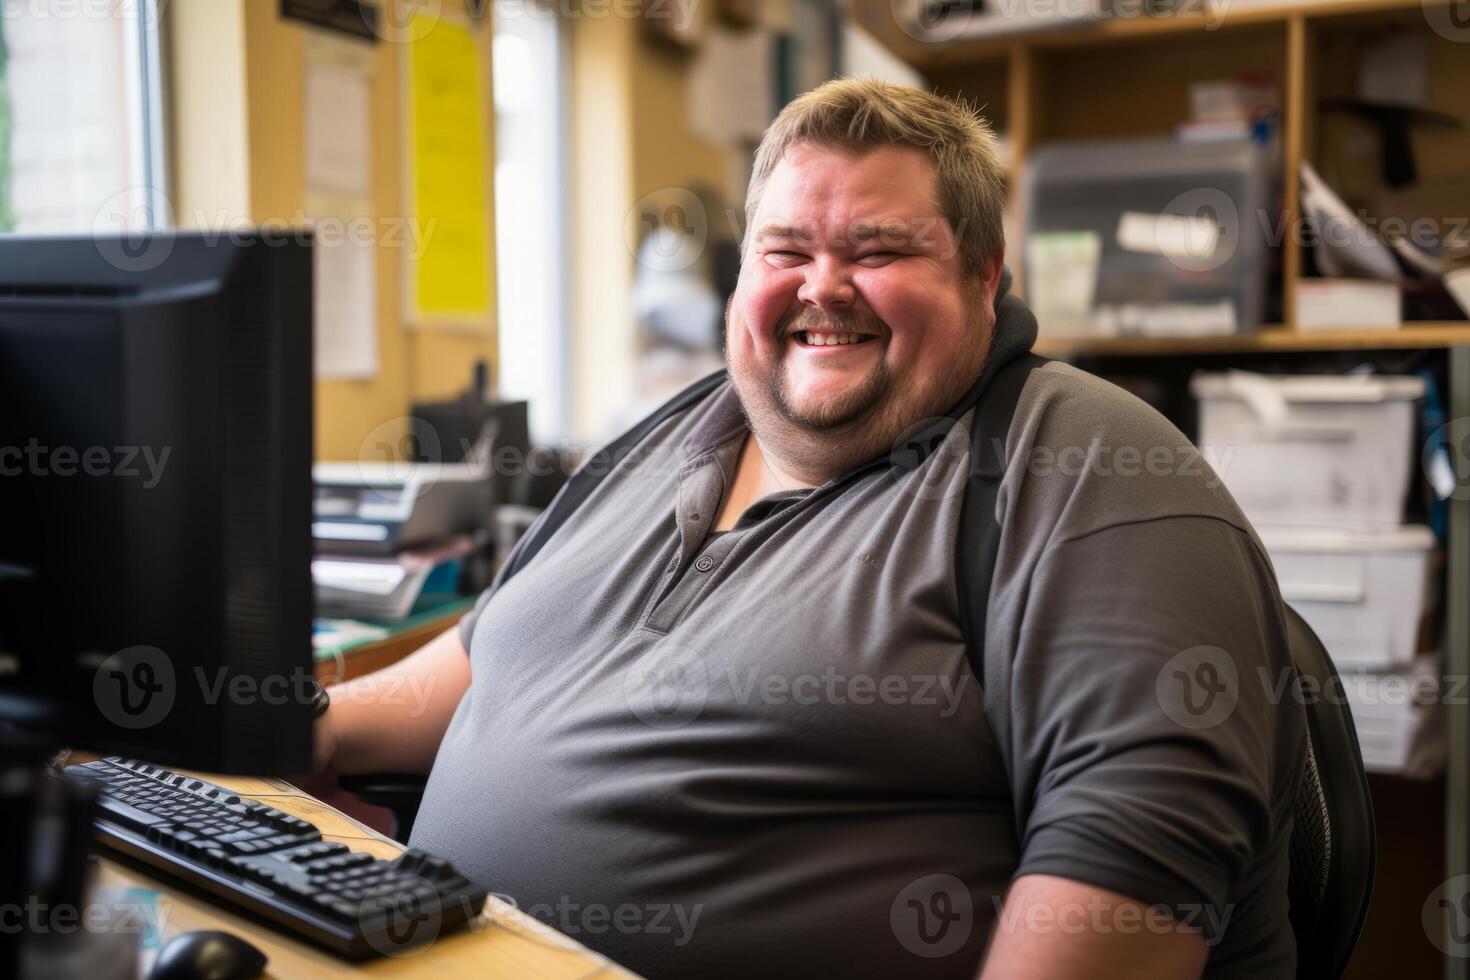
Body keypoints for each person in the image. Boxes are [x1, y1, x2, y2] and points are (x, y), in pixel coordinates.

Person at [315, 78, 1305, 979]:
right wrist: (252, 731)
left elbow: (1131, 880)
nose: (822, 286)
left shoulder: (1087, 470)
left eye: (878, 250)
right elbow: (484, 667)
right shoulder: (667, 435)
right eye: (786, 249)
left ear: (986, 275)